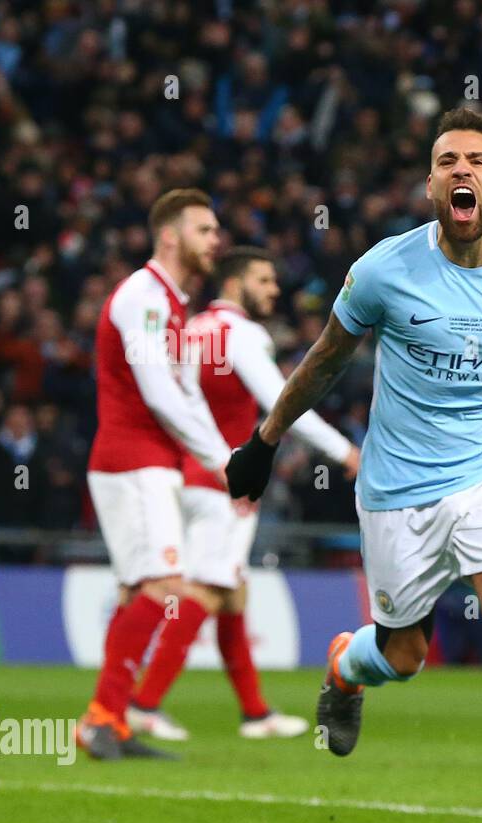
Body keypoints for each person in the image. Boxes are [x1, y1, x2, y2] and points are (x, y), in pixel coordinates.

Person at [226, 108, 482, 823]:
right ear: (429, 184)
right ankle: (347, 665)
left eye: (477, 160)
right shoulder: (384, 269)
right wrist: (265, 439)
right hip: (399, 487)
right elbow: (324, 361)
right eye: (446, 160)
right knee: (405, 654)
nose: (461, 170)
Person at [128, 246, 360, 742]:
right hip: (224, 478)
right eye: (264, 279)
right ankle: (143, 704)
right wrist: (345, 453)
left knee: (232, 593)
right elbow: (284, 402)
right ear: (235, 284)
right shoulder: (242, 334)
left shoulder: (192, 329)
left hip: (187, 473)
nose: (275, 290)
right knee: (208, 588)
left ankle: (255, 713)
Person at [76, 189, 233, 761]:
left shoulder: (173, 305)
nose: (216, 240)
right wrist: (220, 462)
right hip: (132, 459)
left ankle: (109, 721)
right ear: (170, 235)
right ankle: (101, 716)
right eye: (205, 229)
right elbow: (159, 392)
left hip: (153, 461)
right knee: (164, 587)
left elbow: (186, 393)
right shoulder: (141, 296)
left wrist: (223, 458)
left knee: (137, 591)